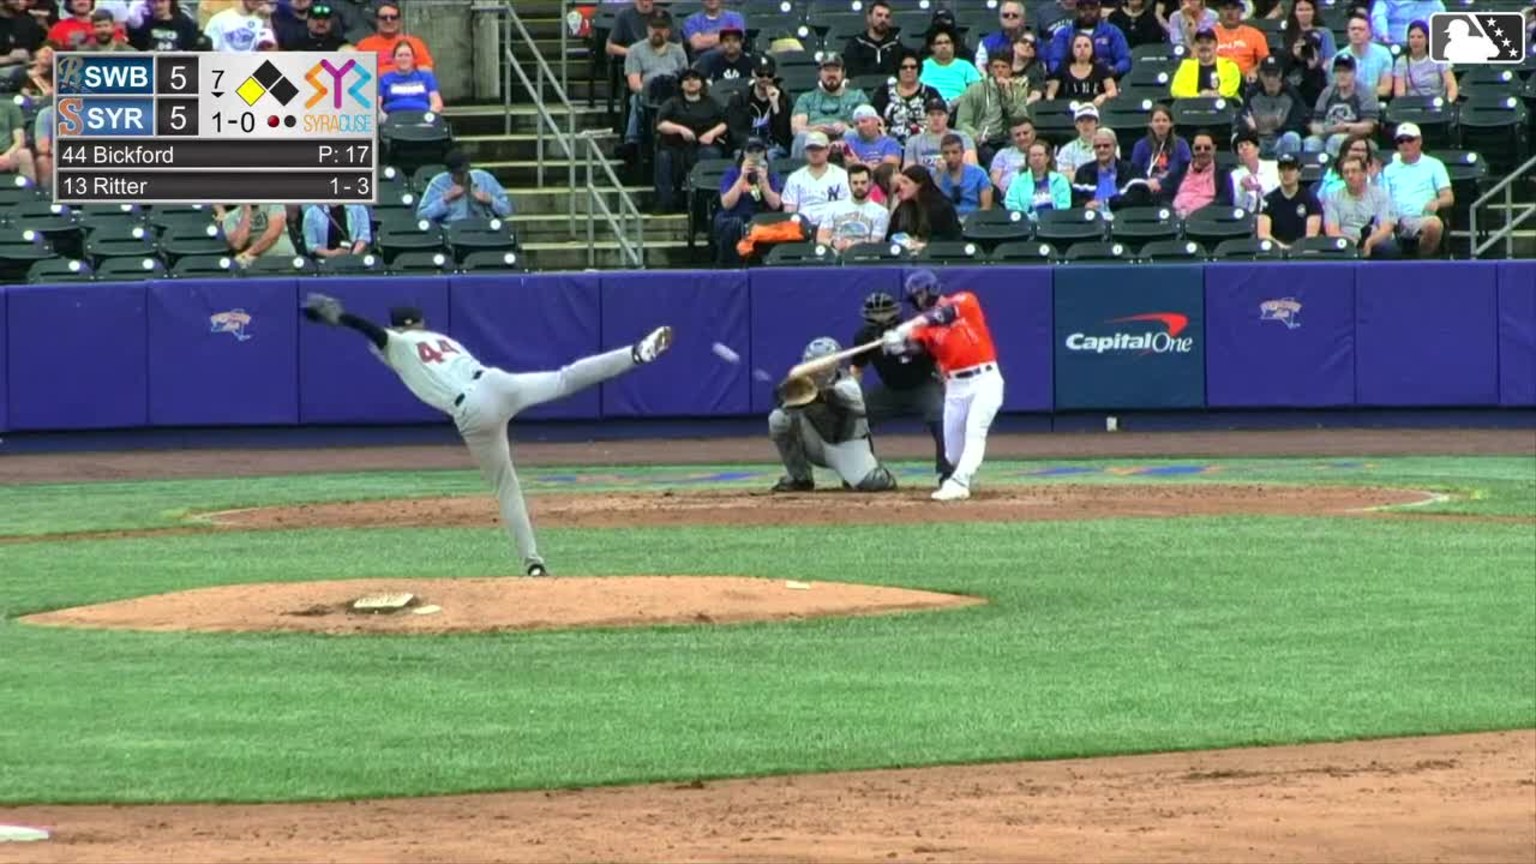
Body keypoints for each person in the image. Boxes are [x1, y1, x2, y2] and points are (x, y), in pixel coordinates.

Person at [301, 295, 673, 575]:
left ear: (400, 326)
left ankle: (533, 564)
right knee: (565, 378)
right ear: (422, 322)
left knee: (505, 487)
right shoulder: (440, 339)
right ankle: (634, 354)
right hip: (498, 382)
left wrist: (343, 318)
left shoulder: (399, 343)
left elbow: (376, 334)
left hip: (473, 411)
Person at [880, 270, 1005, 502]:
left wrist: (908, 326)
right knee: (952, 454)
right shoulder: (922, 328)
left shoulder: (965, 300)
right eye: (914, 296)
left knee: (975, 430)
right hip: (956, 386)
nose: (918, 299)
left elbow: (944, 314)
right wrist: (898, 346)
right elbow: (917, 349)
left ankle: (959, 483)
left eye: (921, 293)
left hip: (985, 379)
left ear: (933, 288)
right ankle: (961, 473)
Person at [768, 338, 898, 494]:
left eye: (822, 364)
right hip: (815, 443)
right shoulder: (800, 383)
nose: (817, 370)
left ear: (834, 364)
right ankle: (799, 477)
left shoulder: (849, 386)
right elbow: (779, 398)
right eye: (812, 363)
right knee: (778, 419)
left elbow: (830, 398)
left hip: (844, 445)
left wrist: (812, 393)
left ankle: (877, 471)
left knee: (872, 483)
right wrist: (785, 389)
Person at [848, 291, 950, 484]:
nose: (881, 317)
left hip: (923, 385)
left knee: (941, 417)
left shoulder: (912, 328)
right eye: (876, 313)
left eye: (885, 312)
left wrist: (946, 386)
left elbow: (936, 358)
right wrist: (853, 397)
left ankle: (948, 473)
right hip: (890, 389)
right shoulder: (864, 336)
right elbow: (857, 368)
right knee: (856, 420)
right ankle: (863, 470)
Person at [653, 67, 727, 212]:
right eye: (686, 79)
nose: (691, 82)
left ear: (701, 83)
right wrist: (680, 129)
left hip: (702, 146)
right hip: (675, 146)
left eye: (695, 78)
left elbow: (724, 122)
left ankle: (705, 204)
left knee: (711, 154)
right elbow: (661, 124)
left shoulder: (711, 103)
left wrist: (712, 133)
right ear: (681, 84)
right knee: (663, 157)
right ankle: (665, 203)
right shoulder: (672, 103)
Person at [1382, 121, 1452, 256]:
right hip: (1395, 218)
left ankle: (1419, 261)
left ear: (1419, 141)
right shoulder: (1389, 170)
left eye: (1410, 139)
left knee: (1434, 225)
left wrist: (1437, 202)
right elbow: (1383, 199)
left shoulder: (1435, 165)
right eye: (1401, 141)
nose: (1405, 144)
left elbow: (1448, 197)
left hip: (1421, 217)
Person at [713, 137, 783, 265]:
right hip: (733, 217)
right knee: (734, 225)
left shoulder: (771, 174)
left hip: (759, 217)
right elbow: (727, 204)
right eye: (751, 151)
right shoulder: (732, 173)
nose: (755, 155)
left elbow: (775, 205)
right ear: (744, 153)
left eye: (758, 151)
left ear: (764, 153)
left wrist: (764, 182)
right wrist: (742, 177)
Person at [955, 55, 1033, 169]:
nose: (1000, 70)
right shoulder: (975, 89)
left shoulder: (1018, 90)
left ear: (1010, 70)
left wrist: (1008, 97)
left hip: (1008, 140)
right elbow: (962, 123)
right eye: (996, 67)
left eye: (1004, 67)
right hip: (982, 140)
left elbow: (1021, 121)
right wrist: (978, 136)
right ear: (990, 70)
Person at [789, 53, 867, 159]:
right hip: (815, 142)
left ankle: (857, 173)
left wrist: (847, 127)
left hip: (844, 141)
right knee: (801, 136)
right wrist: (815, 129)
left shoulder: (857, 96)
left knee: (851, 135)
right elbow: (796, 129)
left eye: (835, 69)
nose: (831, 74)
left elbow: (869, 126)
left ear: (843, 73)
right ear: (819, 73)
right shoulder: (806, 98)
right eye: (827, 70)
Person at [1323, 154, 1397, 258]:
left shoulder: (1381, 195)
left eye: (1354, 171)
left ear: (1364, 173)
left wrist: (1369, 242)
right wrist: (1352, 243)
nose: (1350, 175)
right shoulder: (1333, 197)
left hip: (1375, 240)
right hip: (1346, 242)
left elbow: (1386, 228)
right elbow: (1332, 231)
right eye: (1346, 172)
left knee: (1388, 247)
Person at [1305, 54, 1379, 155]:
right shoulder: (1327, 92)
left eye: (1346, 71)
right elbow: (1315, 124)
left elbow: (1369, 126)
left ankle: (1336, 170)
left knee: (1336, 140)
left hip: (1357, 139)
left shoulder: (1365, 93)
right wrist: (1327, 129)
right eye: (1338, 71)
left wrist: (1346, 127)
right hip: (1328, 134)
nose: (1341, 75)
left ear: (1354, 72)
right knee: (1311, 142)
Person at [417, 150, 513, 225]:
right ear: (449, 172)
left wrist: (491, 200)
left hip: (484, 230)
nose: (462, 177)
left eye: (464, 172)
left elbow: (507, 211)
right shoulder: (438, 183)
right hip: (452, 232)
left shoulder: (485, 178)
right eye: (458, 174)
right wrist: (445, 200)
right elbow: (421, 216)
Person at [872, 53, 944, 149]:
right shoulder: (884, 91)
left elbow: (940, 118)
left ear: (918, 69)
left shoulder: (930, 92)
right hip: (889, 144)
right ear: (898, 69)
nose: (908, 70)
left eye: (913, 67)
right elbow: (875, 117)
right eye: (904, 67)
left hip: (925, 144)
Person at [781, 131, 849, 230]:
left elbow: (848, 207)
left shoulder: (842, 175)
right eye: (810, 148)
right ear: (805, 151)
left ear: (827, 150)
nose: (814, 152)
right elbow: (790, 212)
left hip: (835, 227)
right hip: (804, 229)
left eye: (819, 148)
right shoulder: (795, 178)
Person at [726, 55, 790, 158]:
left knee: (770, 155)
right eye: (760, 74)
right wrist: (753, 146)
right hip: (746, 146)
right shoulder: (740, 99)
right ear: (753, 73)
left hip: (772, 147)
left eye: (769, 75)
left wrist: (775, 105)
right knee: (741, 156)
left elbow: (783, 135)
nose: (765, 78)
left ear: (775, 75)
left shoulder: (783, 98)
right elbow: (736, 133)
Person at [1241, 55, 1307, 156]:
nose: (1270, 79)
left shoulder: (1291, 92)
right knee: (1241, 138)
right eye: (1267, 75)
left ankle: (1288, 168)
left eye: (1274, 74)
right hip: (1258, 140)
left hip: (1280, 139)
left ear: (1280, 74)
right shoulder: (1252, 93)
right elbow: (1242, 118)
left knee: (1292, 137)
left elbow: (1299, 121)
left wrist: (1273, 127)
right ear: (1261, 75)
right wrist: (1256, 129)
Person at [816, 163, 890, 252]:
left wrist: (855, 245)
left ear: (871, 183)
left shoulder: (881, 212)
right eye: (855, 183)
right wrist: (834, 243)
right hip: (836, 259)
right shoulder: (833, 208)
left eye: (863, 182)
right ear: (849, 183)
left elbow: (876, 243)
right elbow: (821, 239)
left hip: (866, 257)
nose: (859, 186)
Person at [1044, 0, 1131, 76]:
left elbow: (1124, 59)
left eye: (1092, 8)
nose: (1088, 12)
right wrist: (1069, 73)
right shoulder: (1064, 34)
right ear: (1077, 10)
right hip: (1071, 82)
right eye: (1083, 9)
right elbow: (1055, 62)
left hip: (1107, 79)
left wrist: (1113, 70)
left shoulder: (1112, 31)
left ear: (1099, 9)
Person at [1072, 128, 1149, 212]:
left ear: (1115, 147)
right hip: (1093, 221)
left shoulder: (1132, 170)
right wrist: (1086, 205)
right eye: (1097, 146)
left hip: (1121, 220)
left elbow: (1138, 197)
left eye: (1106, 146)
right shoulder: (1083, 172)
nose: (1102, 149)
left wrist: (1107, 203)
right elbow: (1075, 201)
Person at [886, 165, 963, 248]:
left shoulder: (942, 207)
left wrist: (923, 244)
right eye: (900, 183)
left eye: (906, 182)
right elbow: (890, 236)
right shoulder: (902, 207)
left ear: (920, 185)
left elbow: (952, 238)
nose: (900, 187)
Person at [1256, 152, 1322, 248]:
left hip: (1304, 252)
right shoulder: (1268, 200)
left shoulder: (1310, 199)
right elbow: (1263, 234)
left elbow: (1311, 236)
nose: (1286, 173)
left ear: (1299, 173)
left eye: (1290, 169)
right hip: (1276, 253)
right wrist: (1283, 248)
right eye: (1282, 170)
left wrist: (1295, 250)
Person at [1129, 104, 1191, 203]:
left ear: (1171, 123)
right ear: (1150, 124)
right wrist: (1147, 183)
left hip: (1173, 190)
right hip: (1146, 190)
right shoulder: (1140, 145)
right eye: (1157, 120)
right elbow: (1135, 171)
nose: (1161, 124)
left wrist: (1162, 183)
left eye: (1164, 120)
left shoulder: (1181, 144)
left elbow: (1185, 171)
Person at [355, 2, 432, 75]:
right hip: (375, 87)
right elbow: (355, 73)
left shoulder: (415, 43)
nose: (389, 21)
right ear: (377, 20)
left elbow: (426, 71)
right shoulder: (364, 45)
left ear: (399, 21)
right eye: (384, 18)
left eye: (393, 17)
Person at [903, 97, 977, 173]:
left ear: (947, 117)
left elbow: (972, 169)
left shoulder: (963, 137)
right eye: (931, 114)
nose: (935, 118)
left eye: (940, 114)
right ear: (926, 117)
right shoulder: (914, 141)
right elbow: (908, 173)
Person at [1171, 129, 1233, 217]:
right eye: (1198, 148)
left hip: (1205, 221)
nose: (1202, 151)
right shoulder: (1180, 169)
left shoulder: (1222, 173)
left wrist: (1199, 213)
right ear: (1192, 149)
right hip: (1176, 217)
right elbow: (1164, 194)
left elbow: (1226, 200)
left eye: (1207, 148)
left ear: (1214, 149)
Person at [1392, 19, 1456, 101]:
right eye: (1412, 37)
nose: (1415, 41)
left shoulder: (1438, 59)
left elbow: (1452, 86)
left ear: (1427, 40)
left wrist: (1448, 103)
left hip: (1437, 105)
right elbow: (1399, 92)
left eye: (1420, 37)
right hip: (1412, 106)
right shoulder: (1401, 62)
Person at [1047, 32, 1119, 105]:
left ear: (1092, 49)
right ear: (1072, 49)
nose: (1082, 49)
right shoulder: (1062, 68)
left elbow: (1112, 91)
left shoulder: (1101, 68)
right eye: (1078, 46)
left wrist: (1103, 96)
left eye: (1086, 46)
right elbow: (1050, 93)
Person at [1004, 140, 1073, 216]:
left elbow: (1064, 205)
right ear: (1028, 159)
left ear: (1047, 158)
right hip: (1025, 223)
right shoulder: (1018, 180)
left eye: (1040, 155)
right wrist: (1026, 218)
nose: (1036, 158)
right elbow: (1011, 202)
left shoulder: (1060, 180)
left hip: (1054, 223)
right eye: (1033, 155)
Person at [1171, 26, 1242, 98]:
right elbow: (1176, 90)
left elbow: (1229, 91)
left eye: (1208, 42)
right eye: (1200, 42)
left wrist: (1211, 95)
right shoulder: (1186, 66)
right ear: (1195, 45)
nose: (1204, 46)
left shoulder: (1229, 66)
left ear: (1216, 44)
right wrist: (1199, 96)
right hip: (1193, 107)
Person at [934, 133, 993, 216]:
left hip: (972, 220)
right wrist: (939, 175)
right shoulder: (935, 174)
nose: (950, 157)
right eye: (946, 153)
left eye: (955, 152)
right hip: (945, 220)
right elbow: (931, 204)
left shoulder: (978, 173)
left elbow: (986, 207)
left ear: (962, 152)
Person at [1335, 13, 1393, 98]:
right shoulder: (1339, 57)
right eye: (1353, 29)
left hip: (1375, 103)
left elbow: (1386, 89)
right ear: (1348, 32)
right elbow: (1338, 89)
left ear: (1370, 32)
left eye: (1361, 29)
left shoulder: (1383, 53)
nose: (1356, 32)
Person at [921, 26, 982, 105]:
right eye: (939, 43)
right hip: (929, 107)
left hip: (959, 107)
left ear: (953, 45)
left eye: (947, 42)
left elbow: (978, 89)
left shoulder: (965, 66)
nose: (944, 46)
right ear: (932, 47)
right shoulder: (922, 66)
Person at [219, 204, 294, 267]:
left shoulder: (273, 204)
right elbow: (237, 244)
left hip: (283, 258)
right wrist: (246, 212)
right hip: (253, 265)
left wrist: (249, 253)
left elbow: (274, 233)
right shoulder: (230, 217)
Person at [841, 0, 901, 78]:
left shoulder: (896, 46)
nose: (883, 20)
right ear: (869, 18)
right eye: (879, 15)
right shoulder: (855, 45)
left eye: (887, 16)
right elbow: (851, 75)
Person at [380, 40, 442, 115]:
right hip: (393, 121)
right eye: (400, 55)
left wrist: (428, 118)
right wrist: (384, 118)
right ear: (393, 59)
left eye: (407, 55)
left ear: (413, 58)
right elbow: (376, 106)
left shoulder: (426, 77)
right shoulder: (384, 79)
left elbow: (437, 103)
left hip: (421, 120)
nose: (404, 58)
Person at [1211, 0, 1269, 80]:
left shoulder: (1255, 34)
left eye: (1234, 8)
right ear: (1219, 11)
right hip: (1217, 78)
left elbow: (1265, 60)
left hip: (1246, 79)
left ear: (1241, 11)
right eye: (1225, 8)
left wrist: (1254, 70)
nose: (1230, 13)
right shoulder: (1209, 34)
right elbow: (1195, 58)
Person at [1228, 128, 1279, 212]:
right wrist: (1242, 189)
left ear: (1257, 150)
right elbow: (1237, 206)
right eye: (1240, 146)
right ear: (1239, 157)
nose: (1244, 148)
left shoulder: (1274, 166)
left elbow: (1279, 195)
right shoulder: (1234, 175)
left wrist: (1261, 190)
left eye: (1247, 144)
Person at [974, 1, 1031, 70]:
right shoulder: (987, 43)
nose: (1010, 17)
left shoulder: (1034, 44)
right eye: (1006, 15)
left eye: (1015, 15)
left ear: (1023, 19)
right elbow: (980, 69)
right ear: (1000, 19)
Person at [841, 104, 901, 169]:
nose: (860, 126)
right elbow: (850, 167)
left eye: (864, 121)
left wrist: (858, 163)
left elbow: (888, 170)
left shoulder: (890, 143)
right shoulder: (850, 144)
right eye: (856, 123)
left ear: (876, 121)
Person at [301, 203, 372, 258]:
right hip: (324, 264)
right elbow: (311, 245)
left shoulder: (358, 208)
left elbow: (364, 237)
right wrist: (331, 254)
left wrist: (351, 258)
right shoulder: (311, 213)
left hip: (354, 260)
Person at [990, 118, 1037, 197]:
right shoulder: (1002, 154)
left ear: (1034, 134)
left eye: (1025, 133)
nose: (1022, 138)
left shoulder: (1042, 153)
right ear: (1012, 138)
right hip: (1006, 198)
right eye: (1017, 135)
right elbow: (995, 183)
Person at [1055, 102, 1103, 178]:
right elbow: (1063, 177)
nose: (1085, 124)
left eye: (1089, 120)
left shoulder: (1109, 146)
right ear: (1076, 125)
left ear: (1097, 123)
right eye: (1081, 121)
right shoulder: (1067, 150)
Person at [203, 0, 271, 52]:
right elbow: (210, 53)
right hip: (225, 67)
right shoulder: (219, 20)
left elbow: (271, 54)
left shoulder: (262, 20)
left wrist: (267, 19)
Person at [129, 0, 197, 50]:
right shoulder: (142, 25)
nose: (158, 5)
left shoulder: (185, 24)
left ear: (170, 1)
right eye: (154, 2)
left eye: (162, 1)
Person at [1371, 0, 1443, 46]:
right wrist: (1384, 36)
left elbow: (1439, 31)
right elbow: (1378, 16)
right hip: (1389, 44)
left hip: (1419, 48)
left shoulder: (1437, 6)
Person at [0, 93, 34, 182]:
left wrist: (6, 157)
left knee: (24, 154)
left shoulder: (10, 106)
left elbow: (20, 141)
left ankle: (31, 193)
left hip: (7, 154)